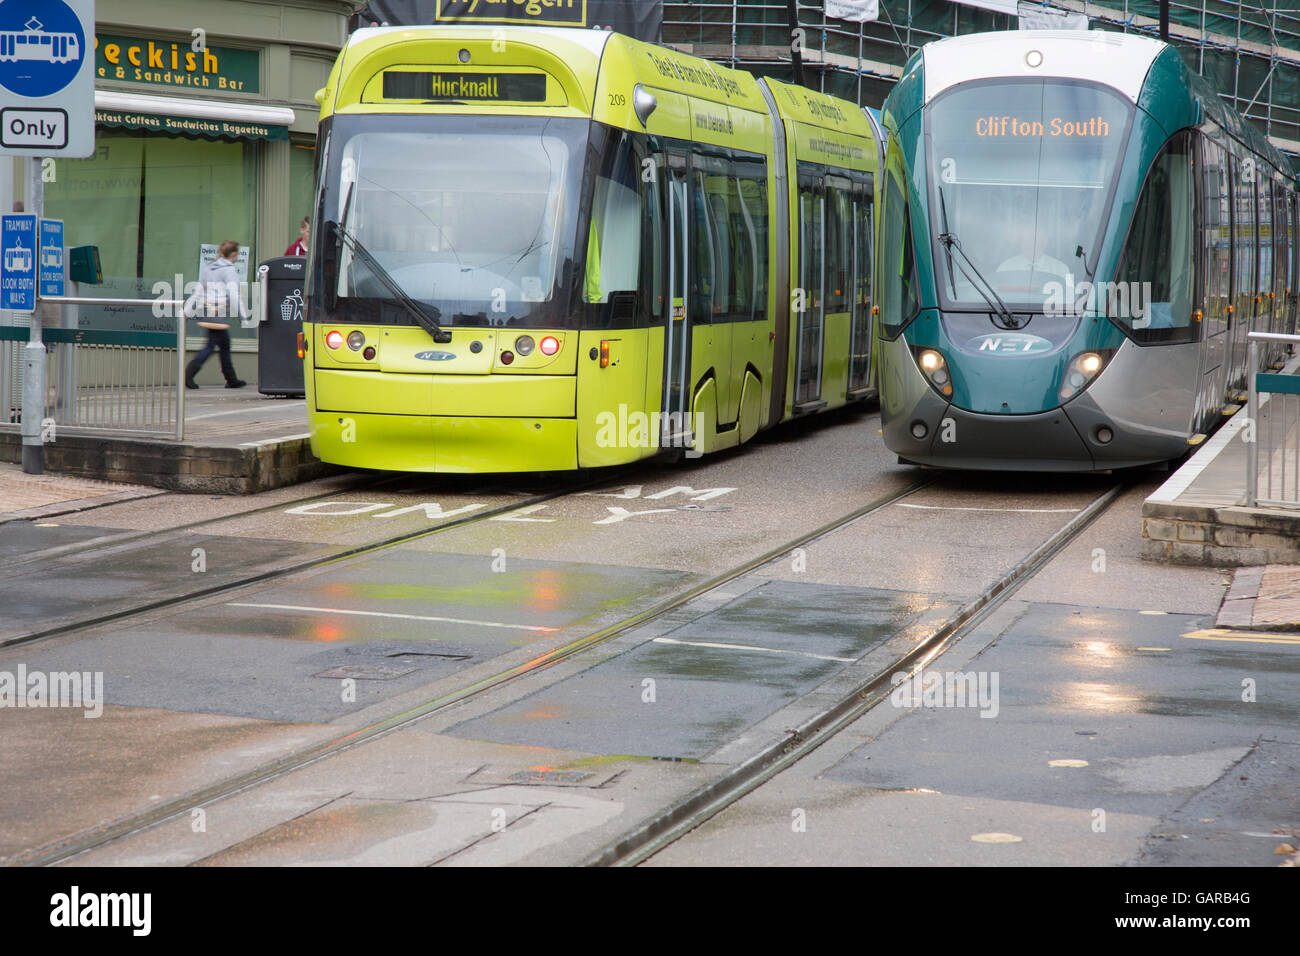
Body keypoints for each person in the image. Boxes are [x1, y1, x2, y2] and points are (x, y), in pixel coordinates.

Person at [185, 241, 248, 389]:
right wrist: (243, 316)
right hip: (218, 313)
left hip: (208, 311)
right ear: (233, 255)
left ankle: (231, 378)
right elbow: (233, 294)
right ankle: (189, 373)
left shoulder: (209, 268)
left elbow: (198, 292)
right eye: (237, 254)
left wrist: (186, 312)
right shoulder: (229, 270)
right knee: (210, 346)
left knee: (224, 343)